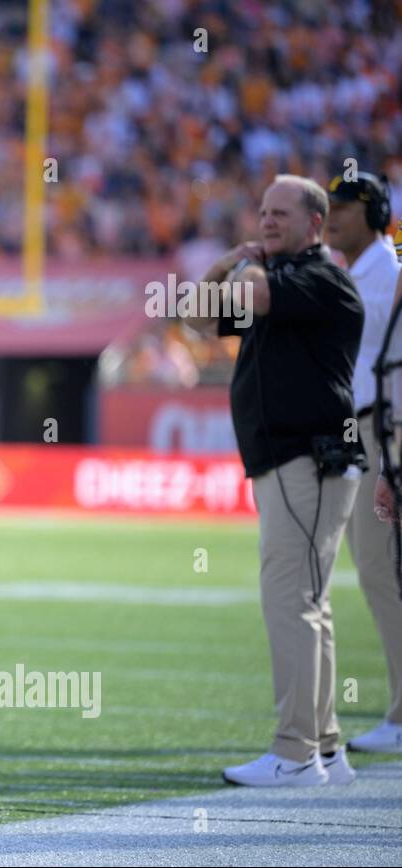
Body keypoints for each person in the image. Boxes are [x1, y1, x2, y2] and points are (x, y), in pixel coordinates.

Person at [185, 175, 364, 786]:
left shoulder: (317, 278)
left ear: (315, 224)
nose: (265, 222)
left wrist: (251, 265)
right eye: (261, 212)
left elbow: (257, 297)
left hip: (305, 457)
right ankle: (327, 749)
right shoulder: (272, 276)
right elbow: (197, 318)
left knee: (291, 602)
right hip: (296, 461)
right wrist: (227, 261)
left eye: (280, 214)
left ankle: (295, 753)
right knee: (309, 603)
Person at [325, 172, 402, 755]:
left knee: (384, 573)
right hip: (363, 431)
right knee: (376, 572)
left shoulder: (390, 271)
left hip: (386, 432)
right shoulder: (351, 270)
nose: (332, 214)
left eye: (344, 206)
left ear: (373, 213)